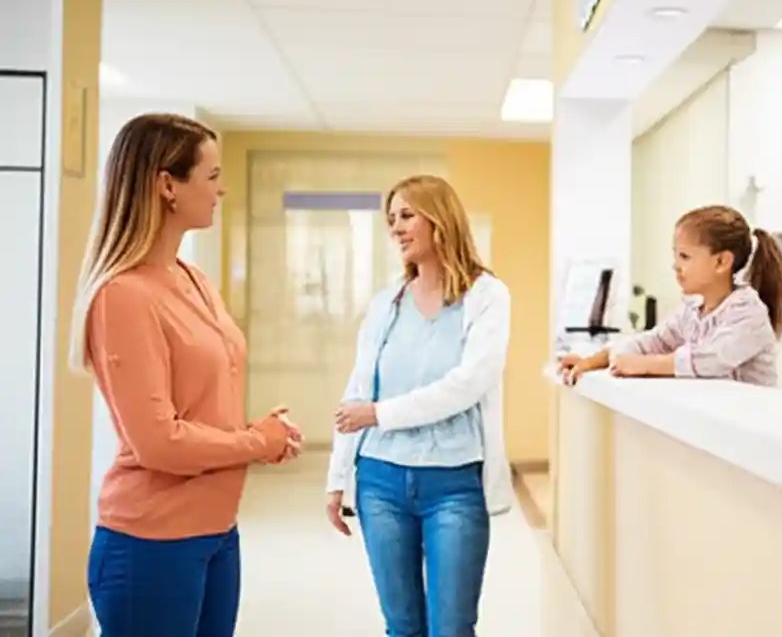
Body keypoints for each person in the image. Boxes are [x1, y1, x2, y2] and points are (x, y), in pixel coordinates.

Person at [70, 114, 303, 637]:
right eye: (212, 175)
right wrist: (253, 442)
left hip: (217, 531)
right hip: (152, 543)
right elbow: (159, 443)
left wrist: (262, 432)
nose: (221, 190)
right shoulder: (124, 295)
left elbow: (199, 407)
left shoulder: (193, 279)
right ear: (167, 185)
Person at [326, 175, 514, 637]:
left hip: (453, 483)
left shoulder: (487, 296)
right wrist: (336, 479)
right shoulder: (385, 304)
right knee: (402, 626)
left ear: (440, 218)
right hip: (379, 482)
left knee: (451, 628)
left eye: (407, 215)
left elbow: (468, 383)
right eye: (391, 219)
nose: (396, 228)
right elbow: (357, 392)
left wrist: (381, 413)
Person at [560, 205, 782, 387]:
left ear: (721, 261)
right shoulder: (691, 311)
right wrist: (591, 362)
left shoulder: (747, 312)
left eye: (685, 257)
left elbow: (711, 360)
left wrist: (645, 365)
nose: (675, 266)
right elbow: (652, 341)